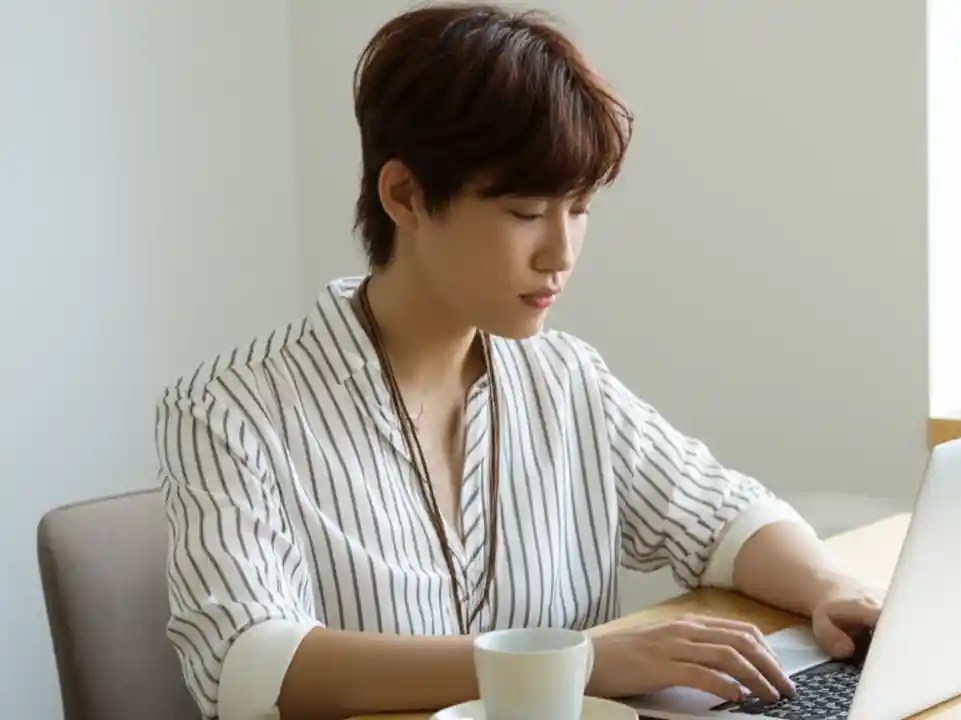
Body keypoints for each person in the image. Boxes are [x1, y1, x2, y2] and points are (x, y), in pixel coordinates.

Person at [155, 4, 882, 719]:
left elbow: (723, 517)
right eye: (526, 214)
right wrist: (582, 660)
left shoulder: (565, 378)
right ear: (405, 196)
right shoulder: (226, 411)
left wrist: (829, 588)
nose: (560, 254)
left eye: (582, 208)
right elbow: (249, 666)